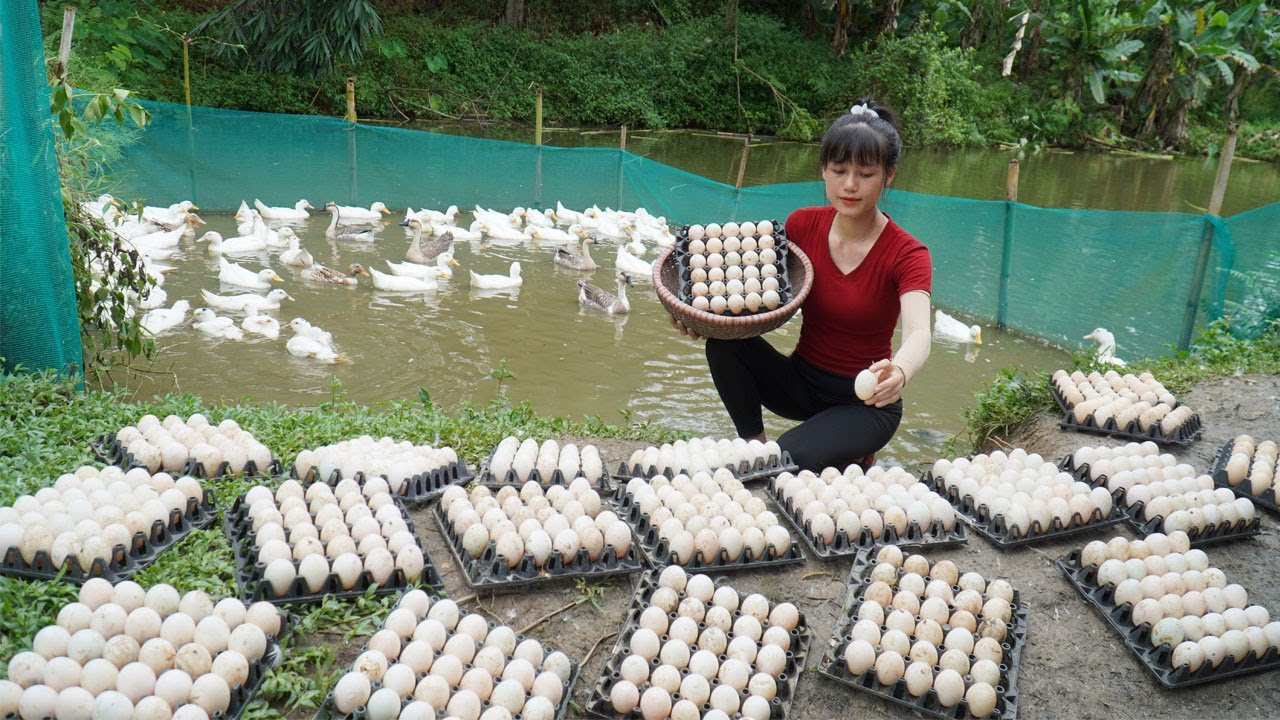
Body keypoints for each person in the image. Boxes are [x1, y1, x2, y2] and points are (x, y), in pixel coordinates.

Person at [669, 97, 932, 472]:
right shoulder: (802, 225)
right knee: (726, 348)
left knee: (792, 455)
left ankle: (850, 447)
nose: (850, 185)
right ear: (823, 170)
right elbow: (746, 285)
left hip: (866, 402)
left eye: (866, 174)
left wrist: (901, 370)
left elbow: (920, 332)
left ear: (889, 175)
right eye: (839, 170)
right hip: (803, 382)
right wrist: (699, 316)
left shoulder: (908, 253)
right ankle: (754, 447)